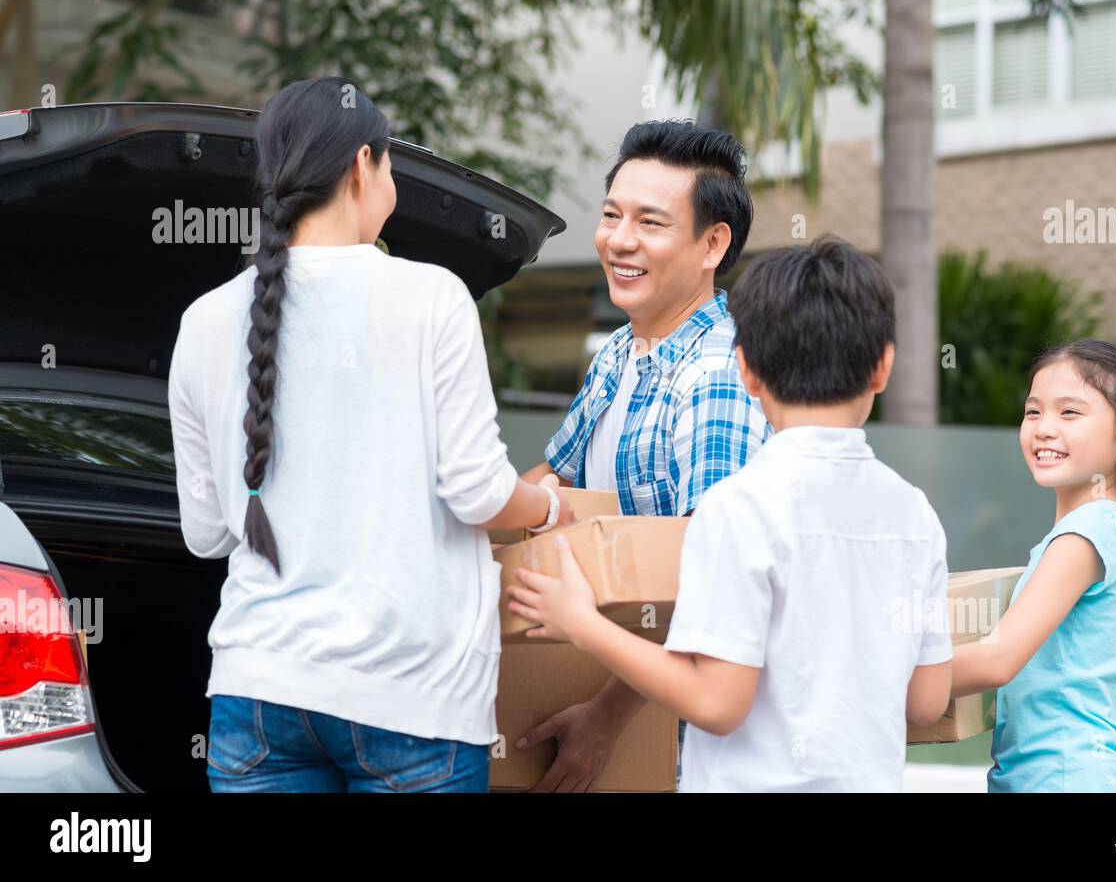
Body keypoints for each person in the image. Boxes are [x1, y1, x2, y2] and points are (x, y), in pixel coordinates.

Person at [167, 76, 573, 793]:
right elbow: (479, 492)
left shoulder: (202, 319)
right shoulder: (432, 297)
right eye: (389, 166)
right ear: (363, 164)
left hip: (257, 688)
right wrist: (547, 508)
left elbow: (206, 534)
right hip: (410, 697)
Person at [507, 235, 954, 791]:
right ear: (883, 367)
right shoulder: (915, 516)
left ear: (745, 370)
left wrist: (584, 624)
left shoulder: (738, 508)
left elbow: (717, 703)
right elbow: (928, 701)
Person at [514, 120, 773, 790]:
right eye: (610, 215)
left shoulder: (717, 372)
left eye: (650, 222)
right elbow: (550, 479)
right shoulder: (618, 353)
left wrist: (605, 718)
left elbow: (708, 576)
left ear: (713, 242)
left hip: (674, 734)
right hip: (590, 679)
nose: (619, 240)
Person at [950, 339, 1116, 791]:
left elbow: (998, 659)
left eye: (1069, 413)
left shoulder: (1087, 534)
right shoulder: (1099, 528)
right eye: (1033, 411)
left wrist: (877, 668)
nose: (1044, 428)